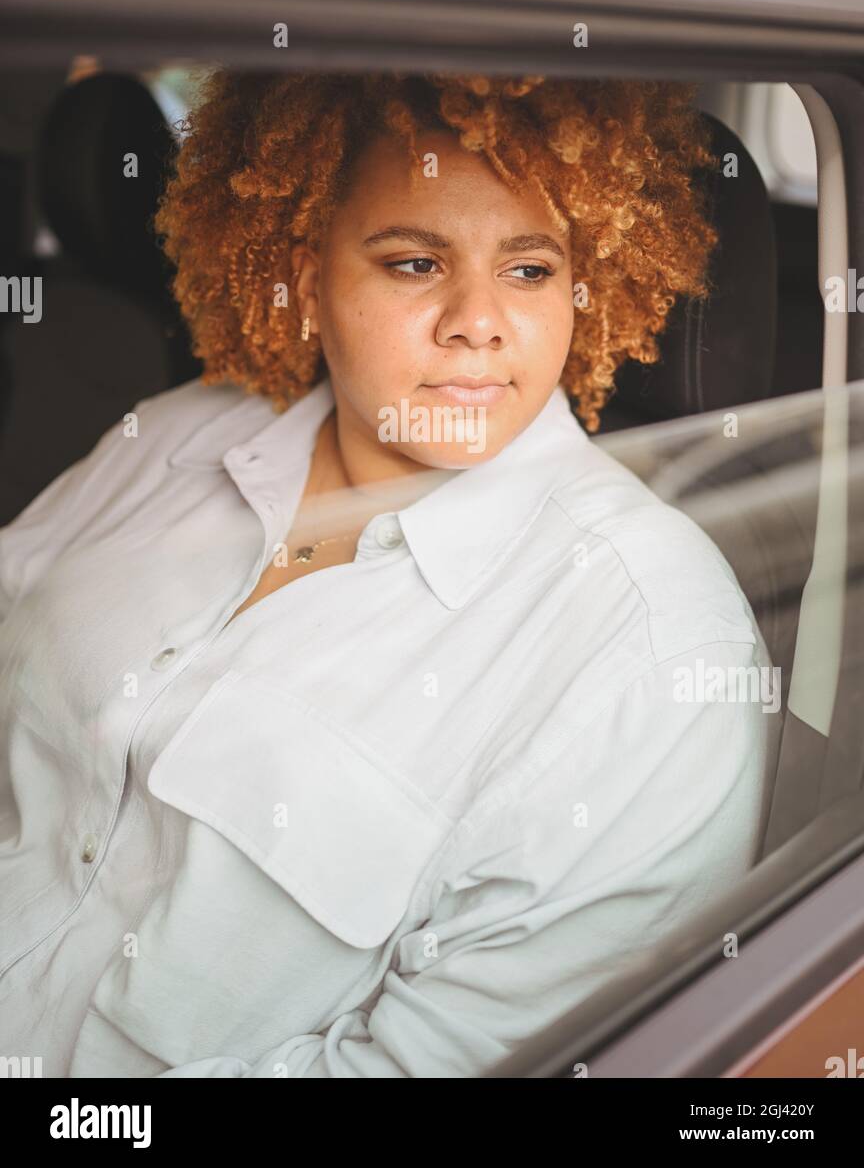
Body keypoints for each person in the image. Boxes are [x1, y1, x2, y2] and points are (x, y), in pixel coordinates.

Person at [0, 71, 782, 1078]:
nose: (478, 320)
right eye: (416, 261)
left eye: (532, 270)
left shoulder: (650, 649)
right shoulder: (181, 431)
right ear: (303, 264)